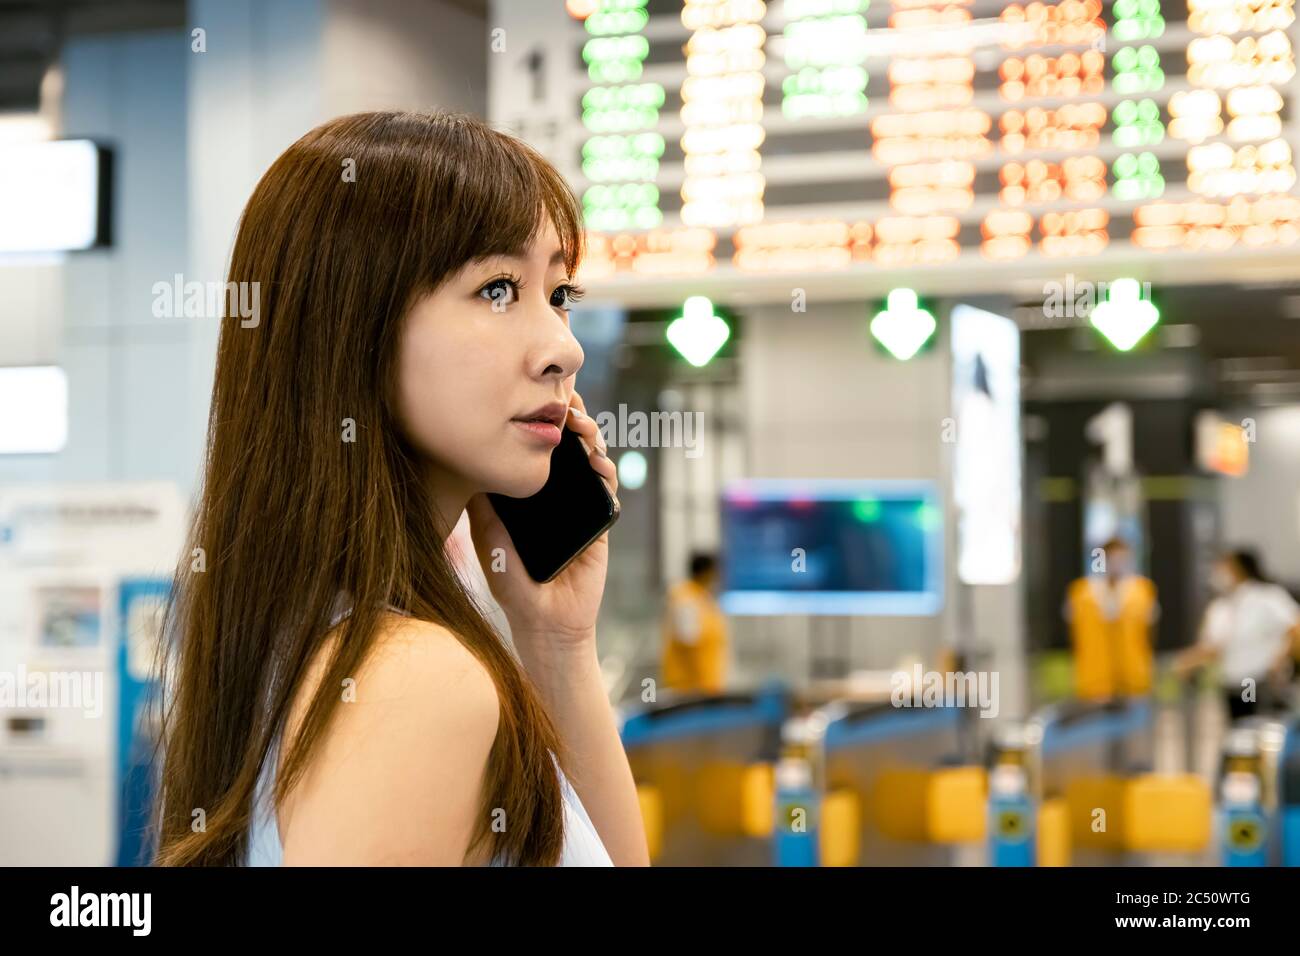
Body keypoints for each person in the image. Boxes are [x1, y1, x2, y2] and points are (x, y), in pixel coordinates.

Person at [152, 111, 648, 867]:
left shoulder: (307, 645)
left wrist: (557, 642)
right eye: (497, 289)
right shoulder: (414, 680)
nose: (563, 348)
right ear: (353, 326)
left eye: (558, 292)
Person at [1174, 549, 1300, 720]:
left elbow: (1294, 627)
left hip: (1254, 681)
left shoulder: (1267, 597)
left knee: (1254, 726)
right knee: (1239, 727)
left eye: (1224, 567)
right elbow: (1213, 646)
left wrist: (1280, 658)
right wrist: (1188, 661)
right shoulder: (1221, 607)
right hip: (1232, 682)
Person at [1064, 536, 1158, 700]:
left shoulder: (1143, 590)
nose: (1118, 564)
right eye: (1113, 558)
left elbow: (1151, 633)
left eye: (1123, 558)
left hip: (1134, 680)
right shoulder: (1081, 592)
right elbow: (1071, 633)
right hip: (1093, 681)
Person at [660, 552, 729, 694]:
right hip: (689, 691)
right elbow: (688, 638)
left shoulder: (701, 598)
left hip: (702, 689)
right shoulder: (686, 599)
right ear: (707, 572)